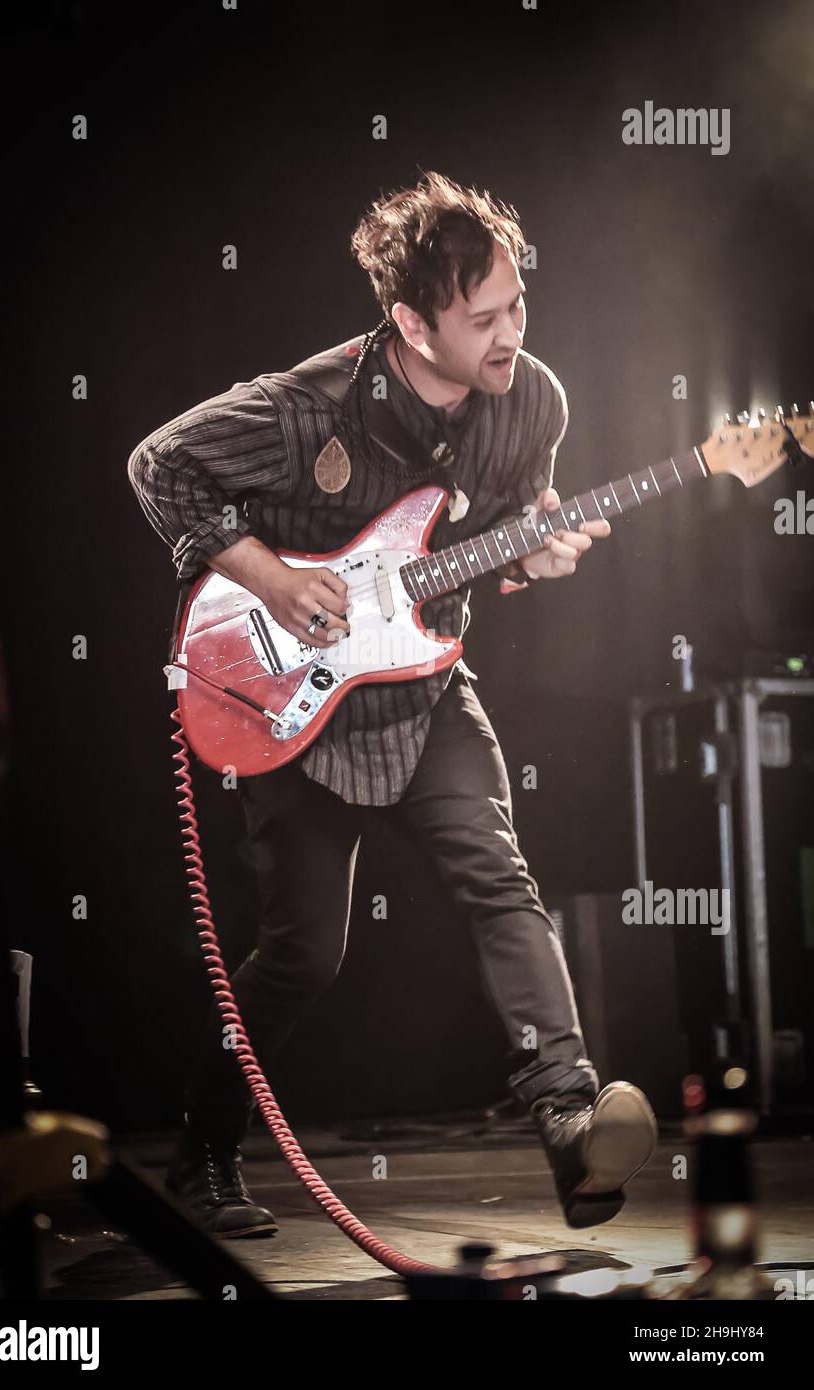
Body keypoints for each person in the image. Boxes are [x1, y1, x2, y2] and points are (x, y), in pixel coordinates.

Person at [127, 171, 657, 1240]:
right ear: (410, 323)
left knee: (499, 874)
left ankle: (568, 1121)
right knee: (304, 953)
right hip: (293, 699)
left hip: (420, 684)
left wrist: (536, 552)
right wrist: (273, 580)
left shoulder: (533, 402)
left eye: (517, 303)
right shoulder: (304, 406)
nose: (512, 332)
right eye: (484, 318)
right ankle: (205, 1142)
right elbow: (157, 466)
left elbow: (500, 539)